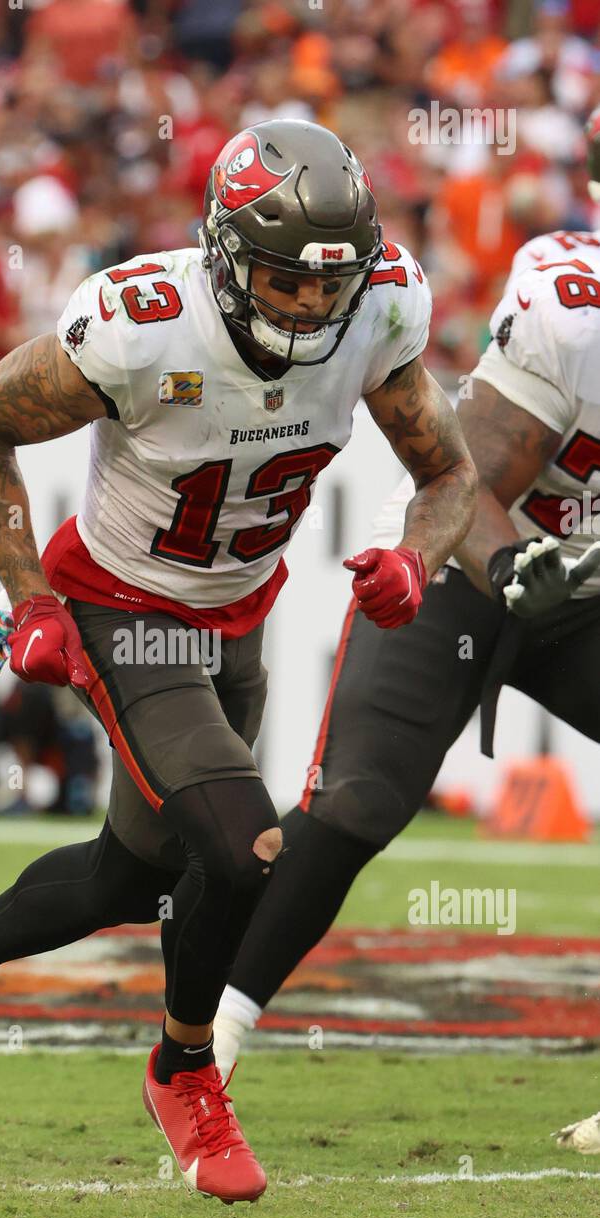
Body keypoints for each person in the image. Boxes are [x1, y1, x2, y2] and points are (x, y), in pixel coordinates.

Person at [0, 120, 477, 1204]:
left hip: (237, 614)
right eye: (286, 279)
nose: (313, 307)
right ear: (224, 251)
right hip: (122, 605)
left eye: (331, 282)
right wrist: (30, 598)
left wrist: (417, 558)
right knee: (242, 843)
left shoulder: (381, 304)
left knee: (135, 876)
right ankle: (182, 1069)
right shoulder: (144, 326)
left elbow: (447, 471)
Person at [212, 112, 600, 1081]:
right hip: (468, 564)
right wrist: (516, 573)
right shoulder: (570, 305)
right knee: (355, 802)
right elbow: (467, 484)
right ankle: (202, 1041)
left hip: (582, 588)